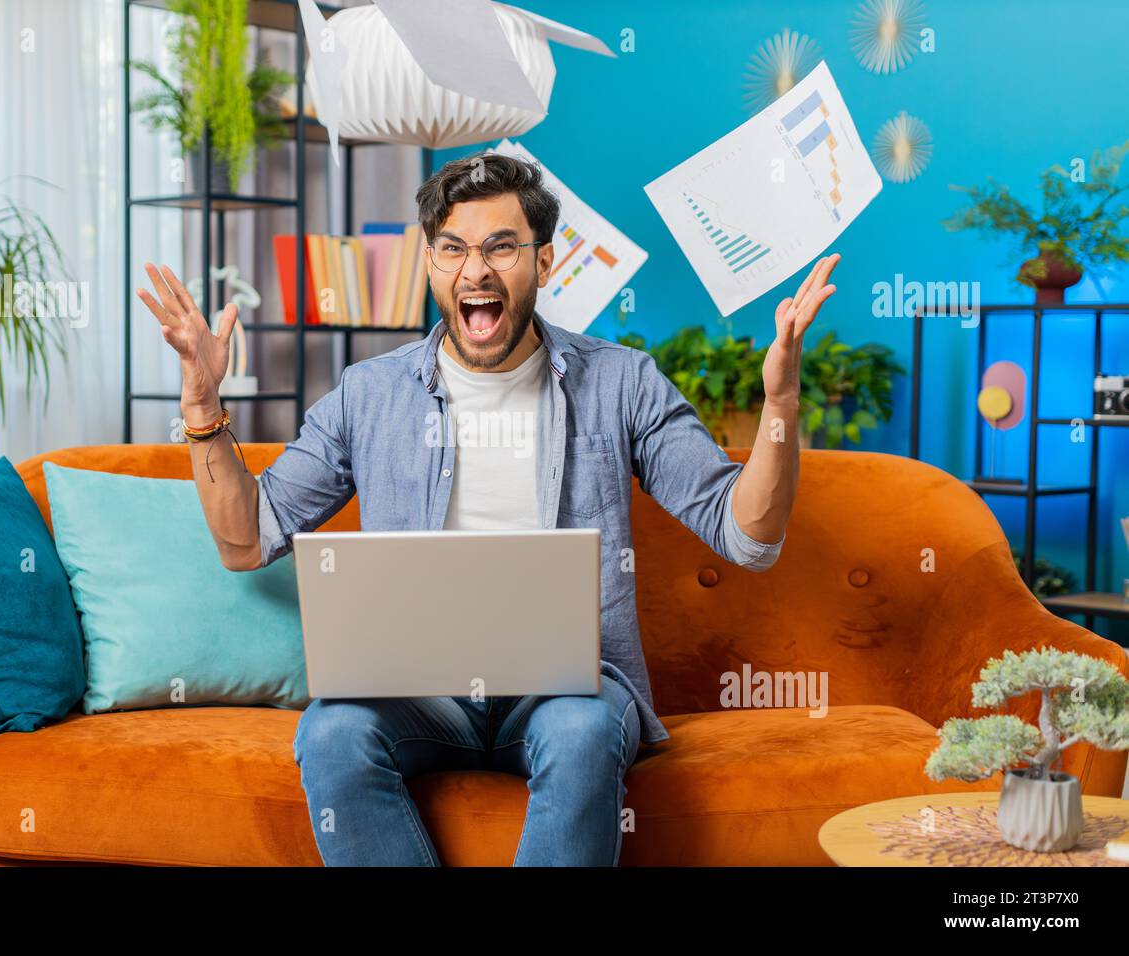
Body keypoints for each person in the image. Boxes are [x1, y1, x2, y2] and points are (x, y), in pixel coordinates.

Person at [135, 151, 839, 866]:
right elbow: (247, 540)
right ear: (432, 264)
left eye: (501, 246)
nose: (476, 270)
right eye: (453, 249)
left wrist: (779, 404)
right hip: (417, 694)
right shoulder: (367, 394)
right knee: (330, 734)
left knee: (582, 732)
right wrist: (201, 403)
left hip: (567, 692)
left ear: (545, 261)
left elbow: (746, 533)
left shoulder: (622, 382)